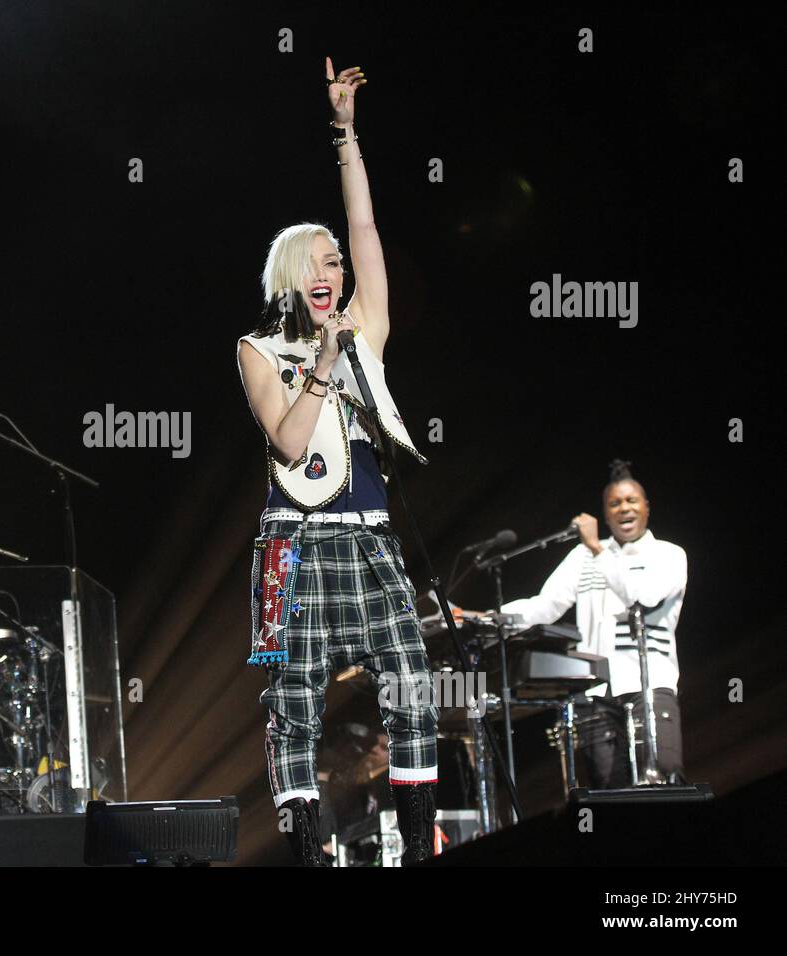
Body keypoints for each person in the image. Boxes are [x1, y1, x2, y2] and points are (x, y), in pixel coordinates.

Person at [237, 57, 437, 866]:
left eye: (337, 265)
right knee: (292, 700)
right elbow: (287, 440)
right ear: (292, 274)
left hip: (368, 532)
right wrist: (319, 360)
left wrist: (345, 132)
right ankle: (308, 853)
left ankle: (420, 845)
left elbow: (366, 229)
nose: (335, 271)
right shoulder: (258, 349)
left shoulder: (365, 331)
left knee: (415, 681)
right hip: (289, 540)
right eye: (318, 263)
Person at [455, 460, 688, 787]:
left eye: (632, 501)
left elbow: (643, 596)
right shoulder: (583, 557)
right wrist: (486, 618)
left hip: (649, 685)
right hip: (594, 689)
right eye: (615, 503)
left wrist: (596, 548)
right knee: (608, 789)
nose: (624, 508)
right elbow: (544, 607)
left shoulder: (669, 555)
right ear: (605, 514)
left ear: (646, 507)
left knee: (662, 778)